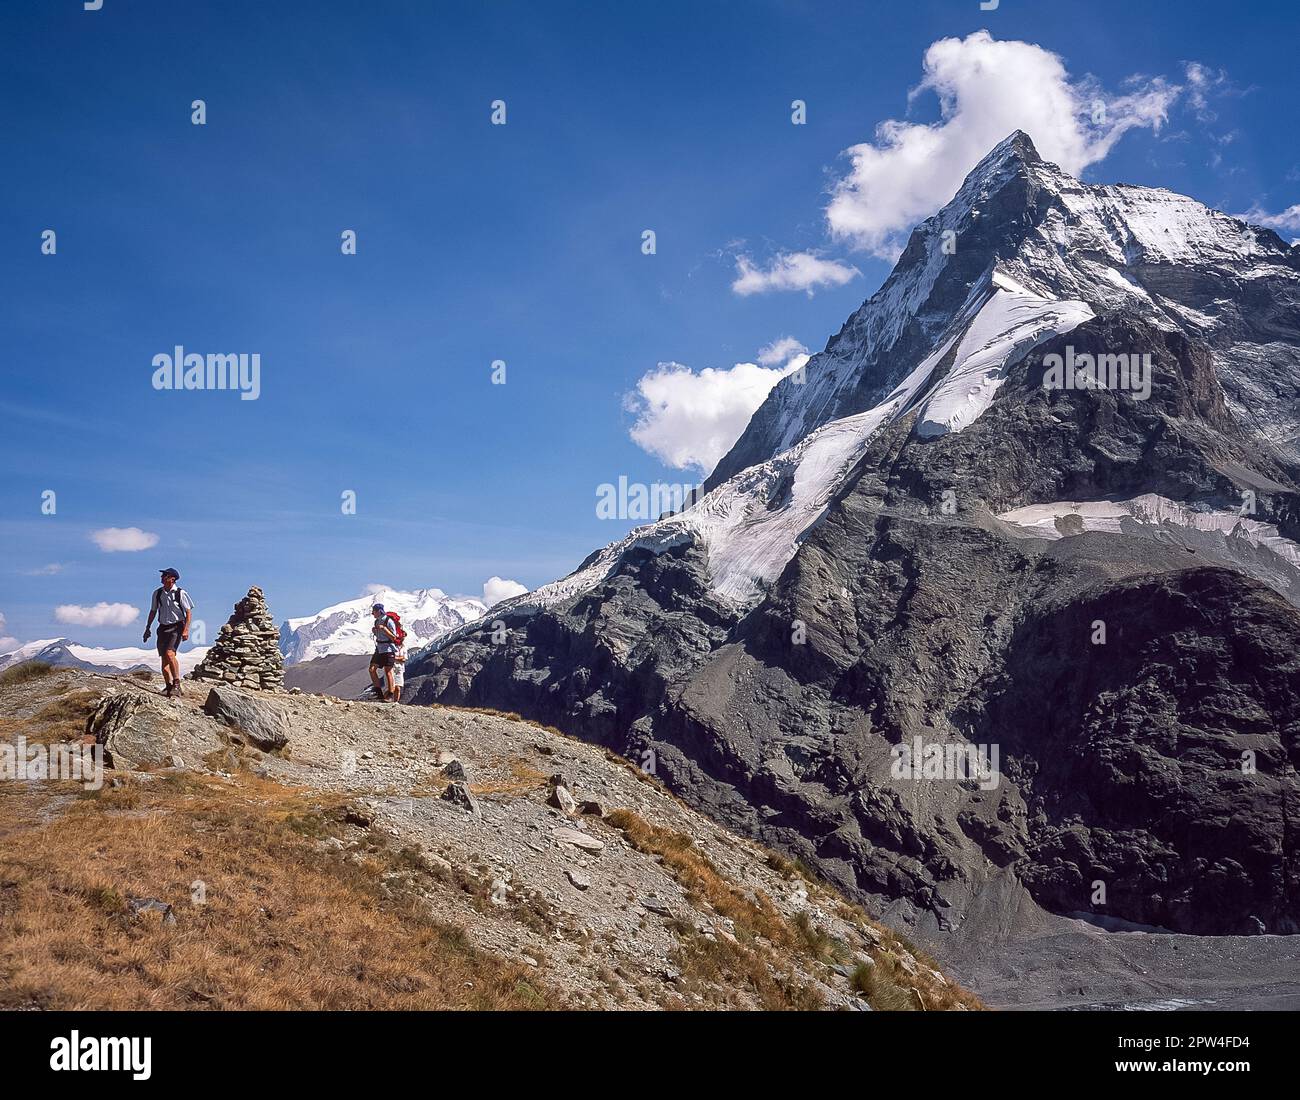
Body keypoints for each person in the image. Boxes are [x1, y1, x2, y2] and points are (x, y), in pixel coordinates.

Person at [143, 568, 193, 697]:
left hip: (177, 627)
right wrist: (148, 628)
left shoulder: (180, 593)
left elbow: (188, 612)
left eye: (165, 575)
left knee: (170, 654)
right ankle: (168, 686)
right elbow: (153, 611)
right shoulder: (157, 593)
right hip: (162, 628)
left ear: (172, 579)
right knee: (164, 659)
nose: (162, 577)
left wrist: (186, 630)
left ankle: (176, 684)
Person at [368, 602, 400, 701]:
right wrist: (375, 631)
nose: (372, 614)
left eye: (373, 611)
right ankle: (378, 693)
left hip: (388, 649)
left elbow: (394, 637)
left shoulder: (388, 621)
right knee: (372, 669)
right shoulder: (377, 621)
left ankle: (390, 693)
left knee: (388, 671)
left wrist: (384, 629)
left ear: (378, 611)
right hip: (379, 648)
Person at [390, 638, 407, 703]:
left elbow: (404, 659)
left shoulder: (404, 647)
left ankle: (395, 702)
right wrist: (399, 658)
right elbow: (389, 657)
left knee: (398, 687)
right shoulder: (391, 645)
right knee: (391, 687)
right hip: (391, 667)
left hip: (399, 669)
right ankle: (383, 700)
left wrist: (395, 658)